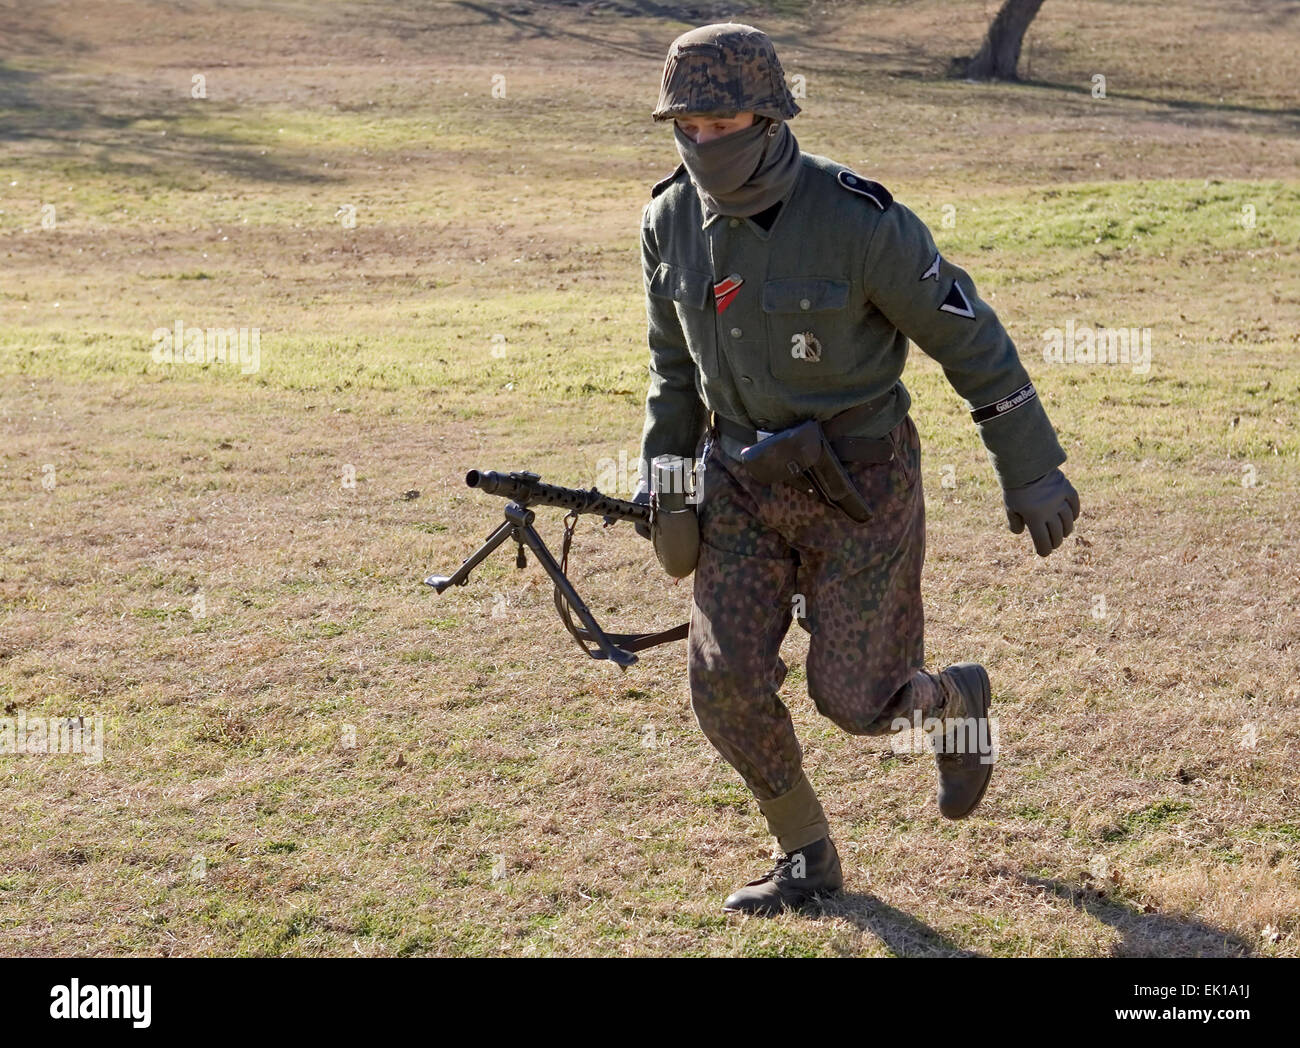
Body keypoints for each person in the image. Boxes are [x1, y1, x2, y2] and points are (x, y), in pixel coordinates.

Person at [634, 23, 1080, 915]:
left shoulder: (856, 221)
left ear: (768, 115)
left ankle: (953, 703)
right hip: (741, 486)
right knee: (720, 683)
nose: (703, 143)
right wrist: (667, 479)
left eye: (722, 122)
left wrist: (1029, 466)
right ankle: (805, 855)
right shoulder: (666, 222)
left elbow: (971, 337)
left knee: (856, 697)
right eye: (687, 125)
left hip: (859, 488)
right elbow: (671, 371)